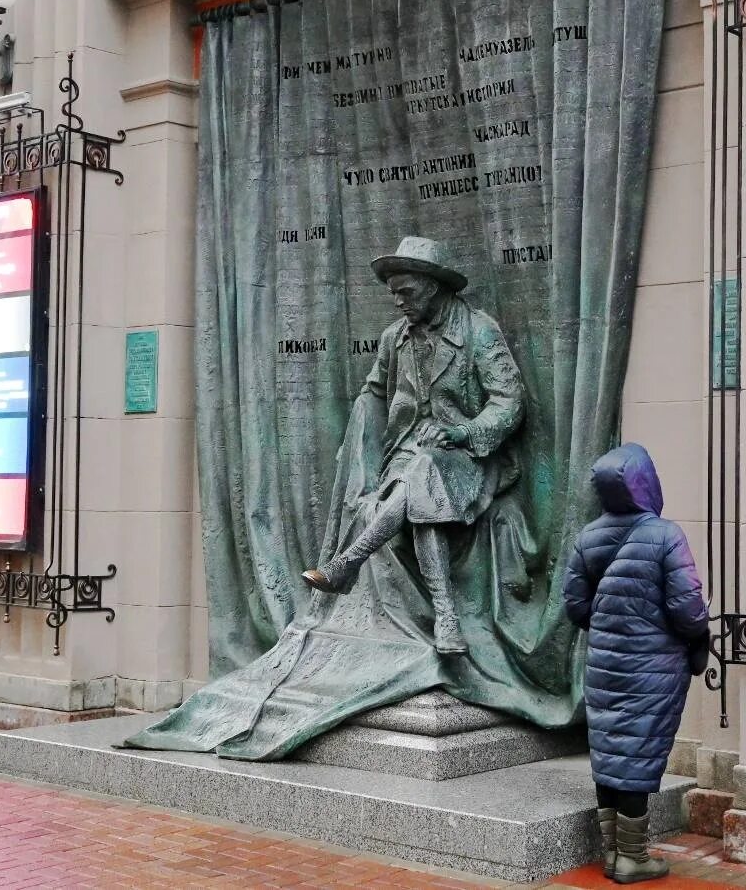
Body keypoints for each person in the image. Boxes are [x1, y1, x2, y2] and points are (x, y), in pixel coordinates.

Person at [302, 236, 526, 654]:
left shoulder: (478, 331)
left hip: (468, 456)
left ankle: (351, 564)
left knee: (423, 474)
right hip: (404, 455)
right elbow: (371, 394)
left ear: (433, 286)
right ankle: (445, 618)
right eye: (393, 294)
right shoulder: (394, 338)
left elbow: (509, 401)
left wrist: (463, 432)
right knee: (417, 478)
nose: (398, 302)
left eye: (405, 292)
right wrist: (357, 448)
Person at [562, 443, 709, 884]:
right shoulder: (665, 535)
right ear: (648, 483)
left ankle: (613, 854)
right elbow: (688, 609)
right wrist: (698, 637)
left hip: (606, 665)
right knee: (639, 755)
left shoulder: (587, 537)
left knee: (611, 753)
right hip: (655, 667)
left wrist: (612, 629)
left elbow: (575, 605)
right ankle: (633, 857)